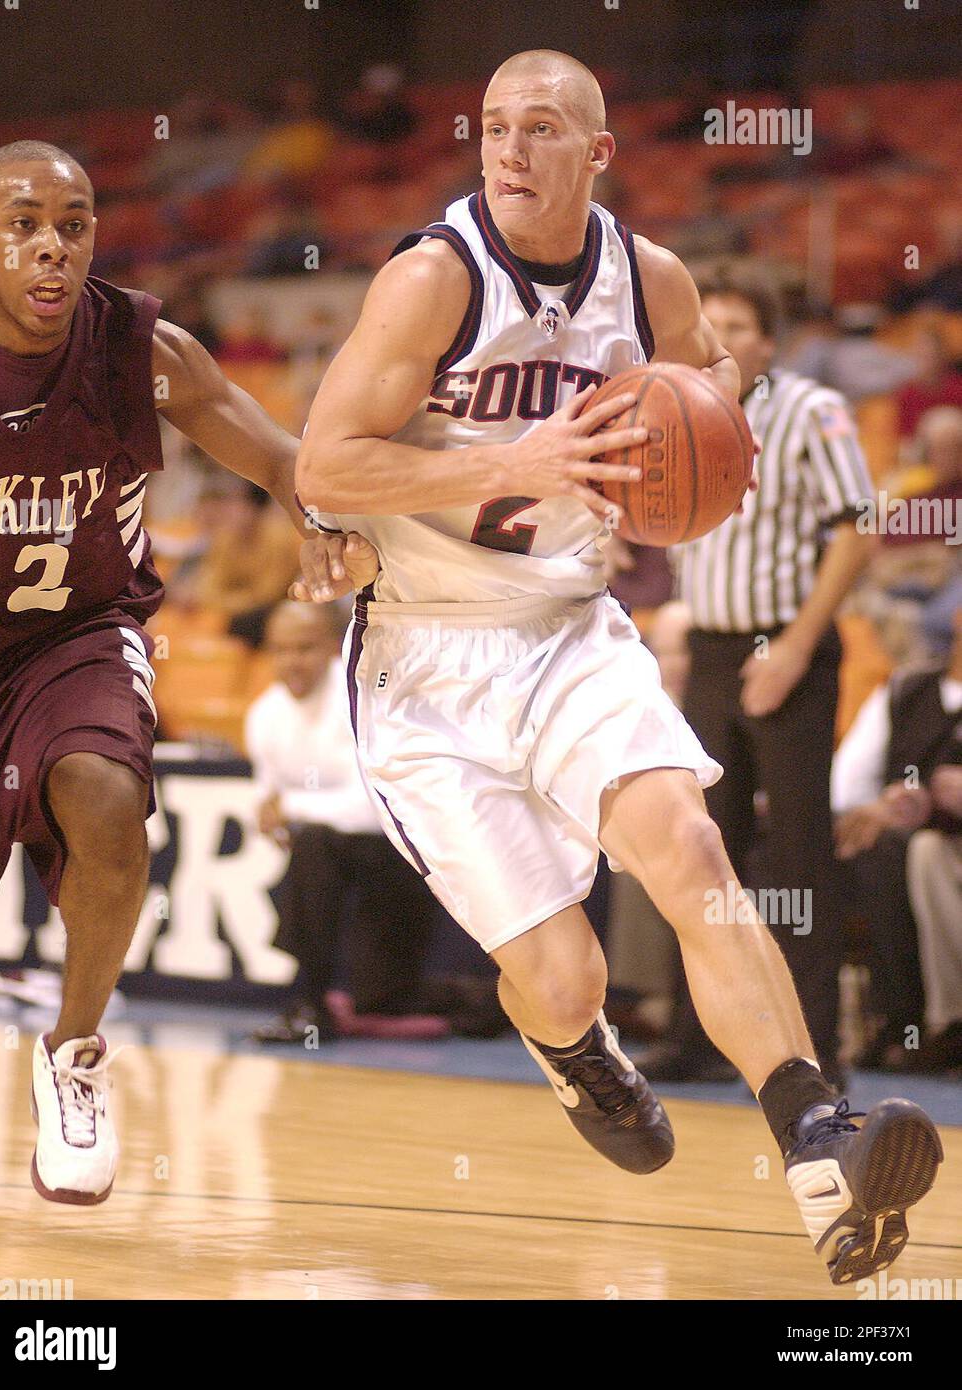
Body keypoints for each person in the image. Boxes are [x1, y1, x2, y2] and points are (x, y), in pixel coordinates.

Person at [292, 51, 942, 1286]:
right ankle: (571, 1044)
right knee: (560, 973)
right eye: (492, 127)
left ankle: (821, 1143)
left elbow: (715, 373)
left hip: (573, 631)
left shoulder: (645, 275)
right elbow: (326, 464)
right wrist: (512, 464)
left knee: (690, 852)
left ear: (596, 154)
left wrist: (679, 426)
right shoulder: (435, 277)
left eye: (541, 129)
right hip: (426, 666)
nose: (508, 150)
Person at [0, 139, 317, 1246]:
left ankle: (72, 1055)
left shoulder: (137, 349)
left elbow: (278, 455)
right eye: (23, 223)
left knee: (107, 797)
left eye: (72, 224)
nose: (50, 248)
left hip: (77, 633)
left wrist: (333, 522)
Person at [637, 259, 878, 1086]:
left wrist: (799, 646)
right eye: (715, 325)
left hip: (787, 645)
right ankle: (697, 1038)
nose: (726, 340)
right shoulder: (673, 407)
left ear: (768, 341)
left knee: (797, 860)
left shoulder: (811, 410)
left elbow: (860, 527)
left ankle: (815, 1052)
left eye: (740, 327)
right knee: (698, 847)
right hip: (707, 650)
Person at [245, 600, 440, 1042]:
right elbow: (265, 803)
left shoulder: (362, 699)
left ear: (333, 647)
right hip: (333, 858)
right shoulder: (264, 714)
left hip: (402, 856)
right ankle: (310, 999)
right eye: (280, 650)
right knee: (315, 845)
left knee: (316, 843)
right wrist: (281, 813)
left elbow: (370, 810)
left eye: (304, 649)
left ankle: (313, 999)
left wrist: (291, 809)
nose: (290, 662)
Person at [832, 607, 962, 1072]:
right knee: (870, 845)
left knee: (920, 852)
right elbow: (847, 783)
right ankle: (894, 1023)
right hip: (904, 839)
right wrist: (882, 807)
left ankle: (936, 1023)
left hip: (944, 845)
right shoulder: (906, 689)